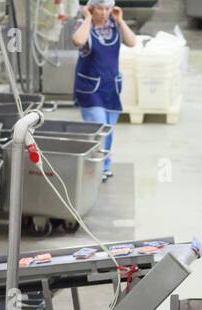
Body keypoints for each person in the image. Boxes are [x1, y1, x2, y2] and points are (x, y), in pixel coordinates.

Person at [72, 0, 137, 180]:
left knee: (108, 130)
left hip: (110, 87)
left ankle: (105, 165)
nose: (104, 12)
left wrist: (121, 21)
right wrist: (87, 18)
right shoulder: (83, 26)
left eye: (107, 8)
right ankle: (94, 167)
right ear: (91, 8)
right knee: (98, 127)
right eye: (100, 8)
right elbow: (77, 41)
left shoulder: (114, 25)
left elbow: (132, 42)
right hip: (89, 89)